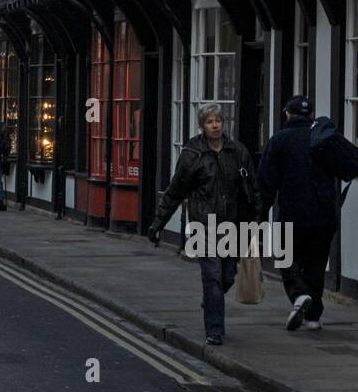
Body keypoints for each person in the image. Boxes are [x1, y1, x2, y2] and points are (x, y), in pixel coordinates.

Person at [146, 104, 258, 346]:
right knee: (213, 278)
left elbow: (252, 190)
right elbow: (175, 192)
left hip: (233, 227)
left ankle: (211, 303)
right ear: (202, 126)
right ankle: (214, 330)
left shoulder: (238, 151)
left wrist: (256, 223)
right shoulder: (192, 154)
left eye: (218, 120)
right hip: (203, 226)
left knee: (227, 276)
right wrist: (157, 224)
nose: (215, 125)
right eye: (210, 121)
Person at [257, 95, 344, 332]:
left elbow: (265, 183)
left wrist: (259, 218)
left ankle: (299, 295)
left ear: (287, 114)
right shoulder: (324, 138)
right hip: (324, 215)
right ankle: (313, 317)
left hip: (291, 213)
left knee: (286, 258)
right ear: (311, 115)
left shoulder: (279, 140)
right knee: (315, 265)